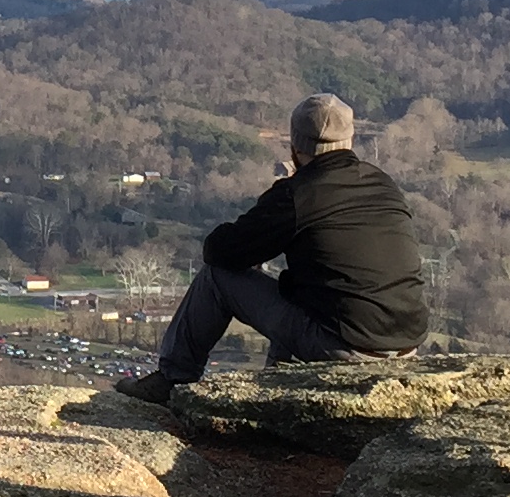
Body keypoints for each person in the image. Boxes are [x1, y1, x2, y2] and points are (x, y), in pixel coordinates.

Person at [113, 93, 430, 405]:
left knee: (217, 278)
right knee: (296, 297)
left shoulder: (297, 195)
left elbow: (219, 251)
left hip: (348, 347)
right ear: (351, 139)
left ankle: (172, 379)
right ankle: (275, 387)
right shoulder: (384, 184)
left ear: (295, 147)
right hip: (407, 346)